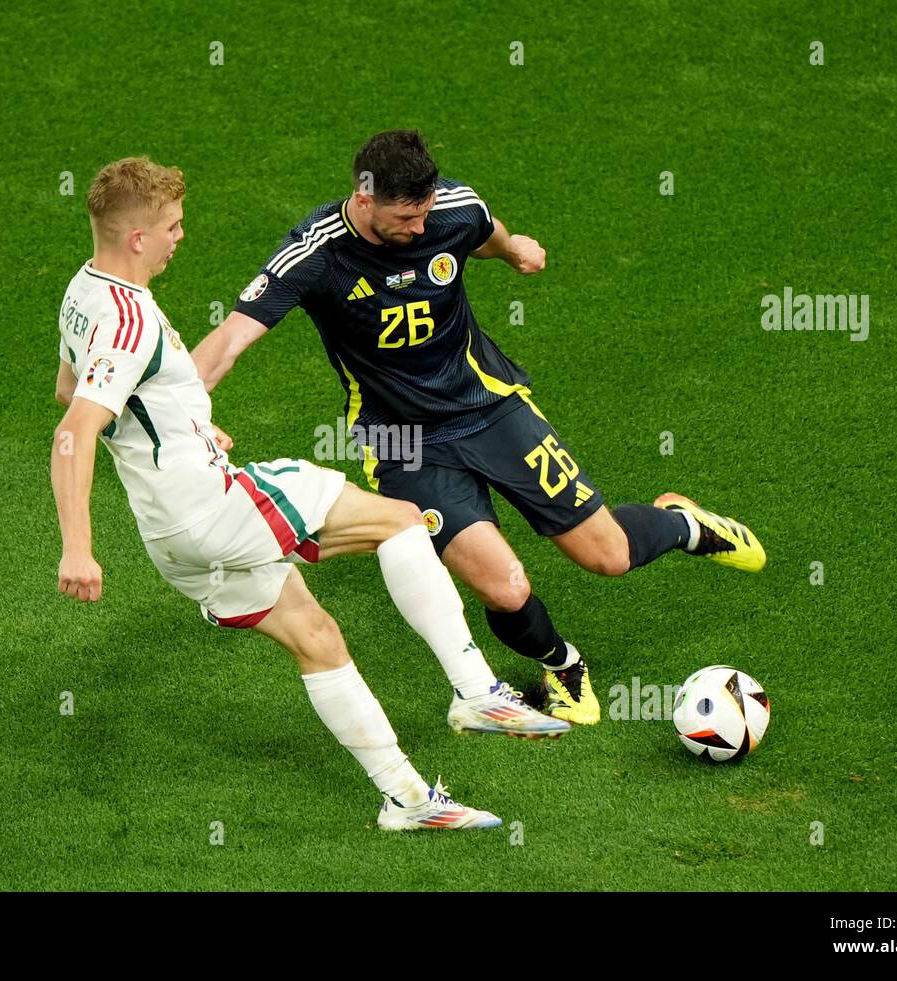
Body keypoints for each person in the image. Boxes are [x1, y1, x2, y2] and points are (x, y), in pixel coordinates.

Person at [50, 157, 568, 832]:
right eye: (173, 226)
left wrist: (183, 424)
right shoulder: (129, 318)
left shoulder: (82, 295)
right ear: (139, 237)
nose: (182, 235)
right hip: (211, 506)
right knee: (403, 519)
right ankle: (476, 691)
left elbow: (72, 386)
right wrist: (78, 549)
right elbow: (75, 425)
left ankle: (408, 799)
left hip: (171, 539)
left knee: (316, 635)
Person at [192, 130, 767, 728]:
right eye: (404, 217)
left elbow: (486, 233)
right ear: (363, 199)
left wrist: (516, 250)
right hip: (404, 444)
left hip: (491, 406)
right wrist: (187, 413)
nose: (418, 228)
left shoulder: (451, 211)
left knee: (608, 557)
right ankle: (563, 666)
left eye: (423, 213)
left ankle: (683, 522)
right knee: (505, 585)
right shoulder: (315, 255)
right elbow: (231, 338)